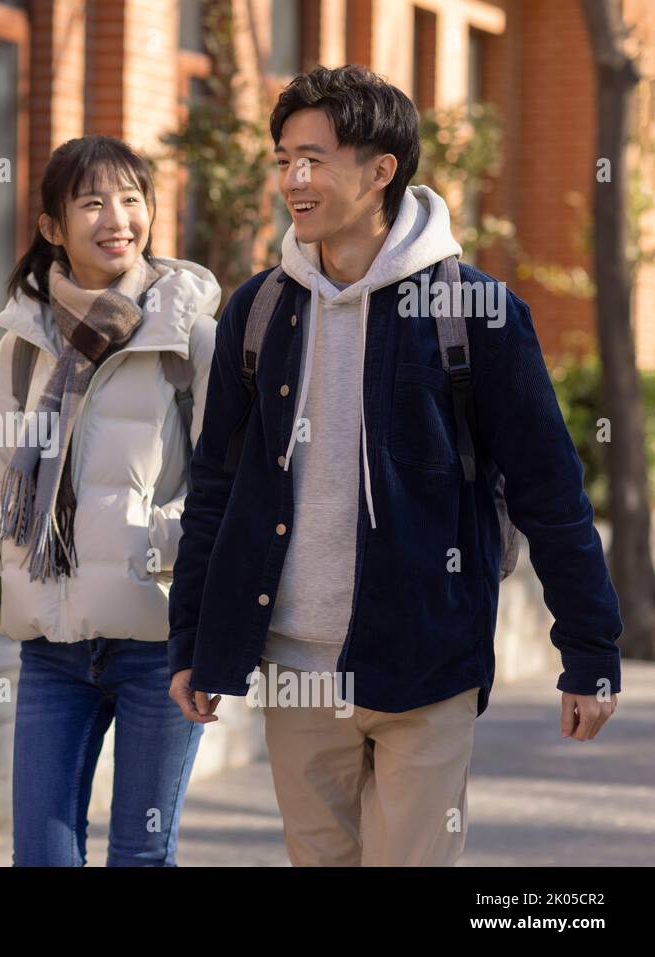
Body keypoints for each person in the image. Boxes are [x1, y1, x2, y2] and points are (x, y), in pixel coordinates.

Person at [168, 65, 623, 866]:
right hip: (294, 671)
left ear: (382, 170)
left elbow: (550, 492)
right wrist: (192, 642)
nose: (292, 181)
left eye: (313, 159)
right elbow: (216, 484)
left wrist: (589, 651)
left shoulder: (473, 314)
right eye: (282, 161)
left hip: (426, 663)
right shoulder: (258, 310)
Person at [0, 135, 222, 865]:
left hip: (160, 645)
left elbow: (219, 492)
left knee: (140, 853)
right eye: (93, 202)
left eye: (133, 198)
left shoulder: (189, 341)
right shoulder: (21, 347)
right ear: (52, 226)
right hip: (52, 645)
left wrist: (144, 549)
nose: (118, 218)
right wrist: (16, 548)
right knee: (42, 856)